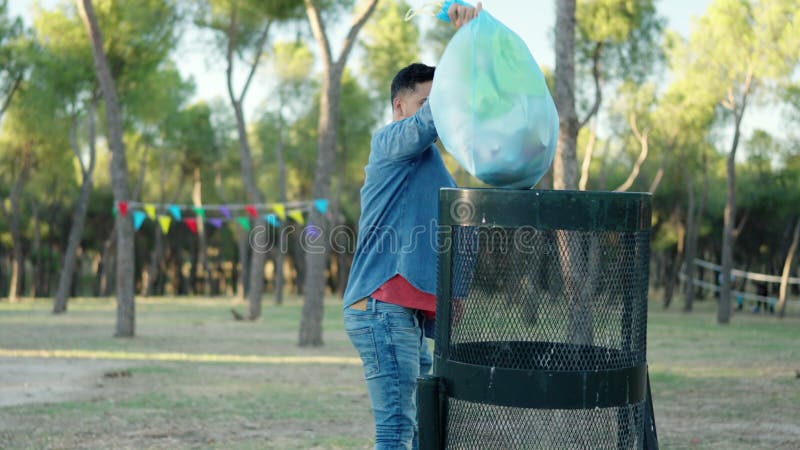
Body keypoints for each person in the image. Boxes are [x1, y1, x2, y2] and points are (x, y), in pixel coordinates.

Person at [342, 3, 482, 449]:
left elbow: (460, 228)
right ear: (400, 106)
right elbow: (429, 122)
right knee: (397, 430)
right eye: (426, 103)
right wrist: (463, 43)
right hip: (379, 307)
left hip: (404, 315)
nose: (436, 112)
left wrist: (456, 291)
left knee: (423, 428)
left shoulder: (434, 165)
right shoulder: (388, 143)